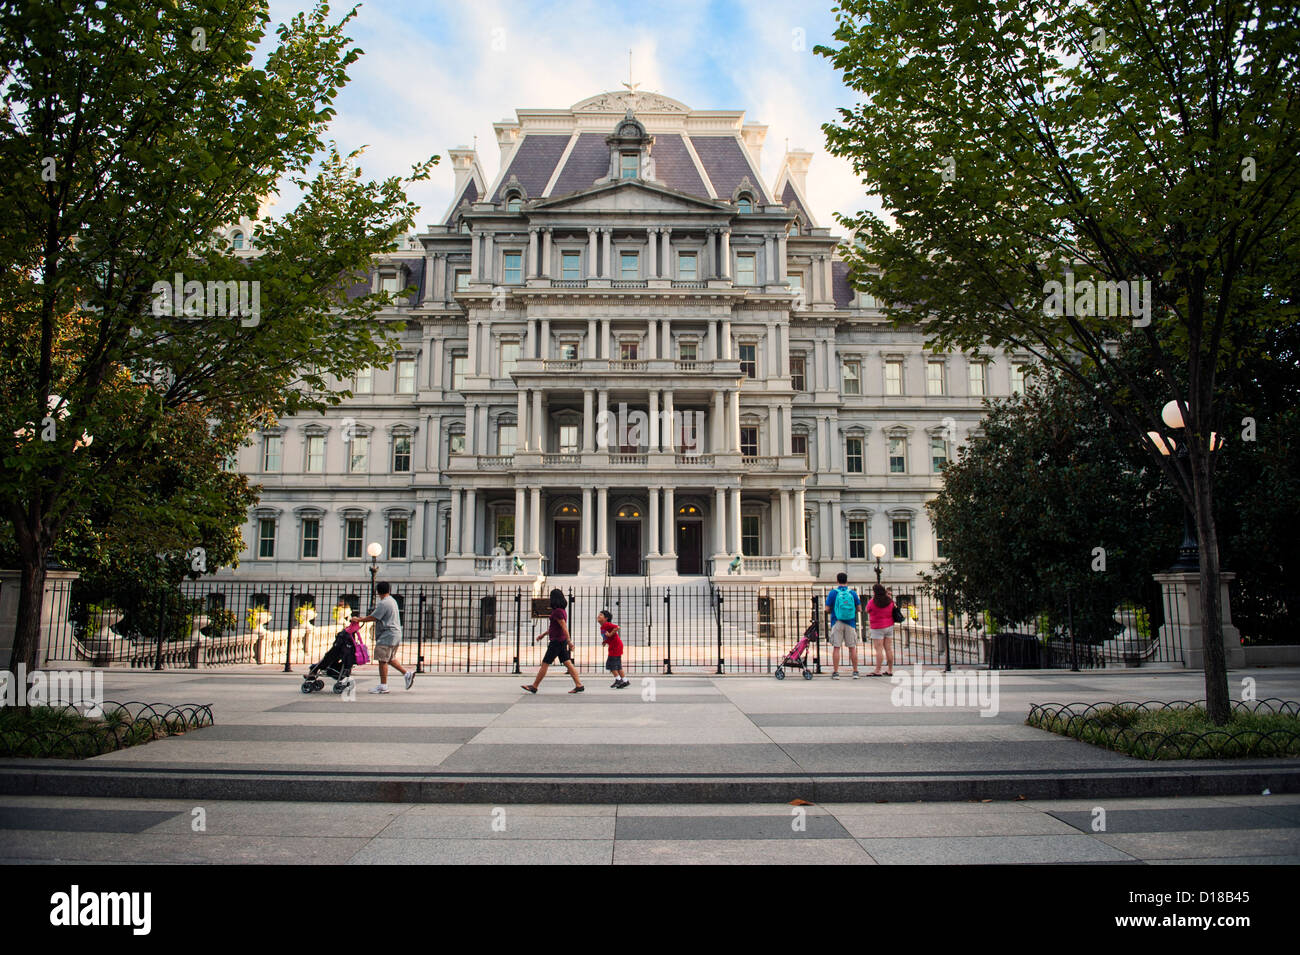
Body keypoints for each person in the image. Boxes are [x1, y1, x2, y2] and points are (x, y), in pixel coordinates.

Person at [521, 589, 584, 694]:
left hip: (557, 642)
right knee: (567, 662)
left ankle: (534, 686)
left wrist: (569, 641)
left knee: (545, 663)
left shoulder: (558, 612)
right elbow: (554, 627)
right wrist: (543, 635)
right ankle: (579, 685)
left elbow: (564, 627)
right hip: (560, 640)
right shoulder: (561, 611)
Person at [356, 582, 414, 693]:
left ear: (377, 592)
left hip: (387, 634)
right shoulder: (392, 600)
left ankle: (383, 685)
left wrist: (359, 619)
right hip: (395, 633)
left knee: (382, 660)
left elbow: (374, 617)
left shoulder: (384, 603)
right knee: (390, 658)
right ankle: (407, 674)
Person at [824, 572, 861, 679]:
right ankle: (855, 671)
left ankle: (836, 672)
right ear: (847, 581)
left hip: (837, 621)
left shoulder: (833, 593)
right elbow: (859, 608)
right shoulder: (852, 593)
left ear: (837, 581)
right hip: (850, 622)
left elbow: (826, 609)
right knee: (852, 648)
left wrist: (833, 611)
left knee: (836, 647)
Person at [866, 583, 897, 676]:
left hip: (877, 627)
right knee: (888, 649)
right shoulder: (890, 601)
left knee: (879, 649)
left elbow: (867, 610)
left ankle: (878, 670)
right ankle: (890, 669)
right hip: (889, 626)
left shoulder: (872, 602)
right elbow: (893, 609)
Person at [599, 610, 627, 688]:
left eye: (601, 615)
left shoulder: (607, 624)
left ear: (606, 618)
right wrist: (605, 641)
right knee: (617, 665)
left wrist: (610, 634)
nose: (598, 616)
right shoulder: (603, 626)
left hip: (615, 647)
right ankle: (625, 680)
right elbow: (607, 636)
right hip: (615, 646)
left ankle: (618, 680)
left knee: (611, 665)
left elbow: (617, 627)